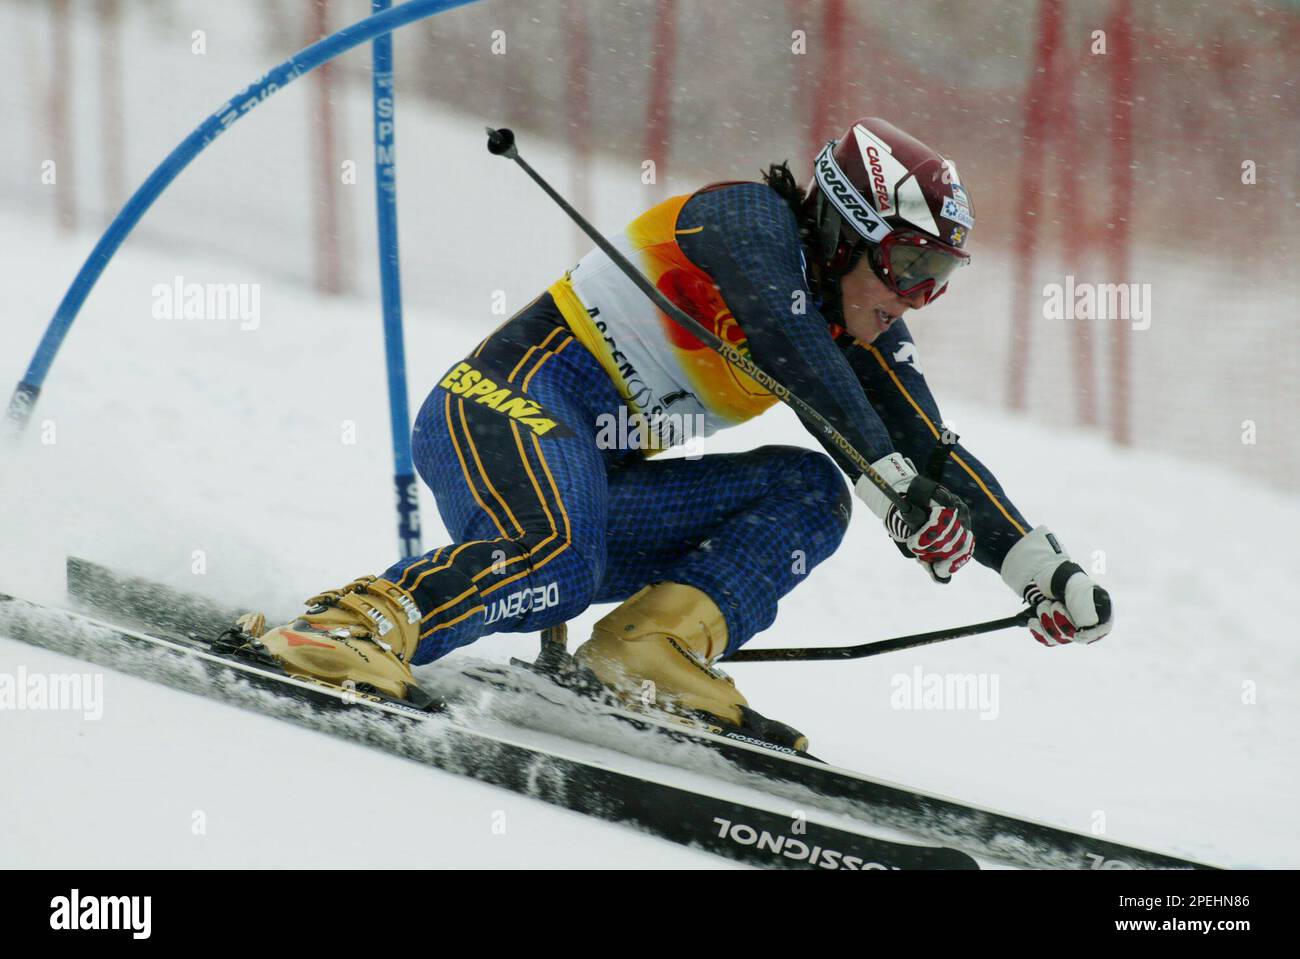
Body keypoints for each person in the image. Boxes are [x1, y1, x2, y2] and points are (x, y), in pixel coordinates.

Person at [233, 117, 1113, 748]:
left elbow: (932, 451)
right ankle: (350, 628)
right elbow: (784, 334)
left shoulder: (860, 327)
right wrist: (890, 481)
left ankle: (647, 651)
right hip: (500, 409)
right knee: (561, 554)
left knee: (807, 491)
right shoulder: (743, 222)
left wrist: (1040, 568)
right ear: (847, 231)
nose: (921, 298)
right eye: (913, 266)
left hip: (595, 479)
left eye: (942, 276)